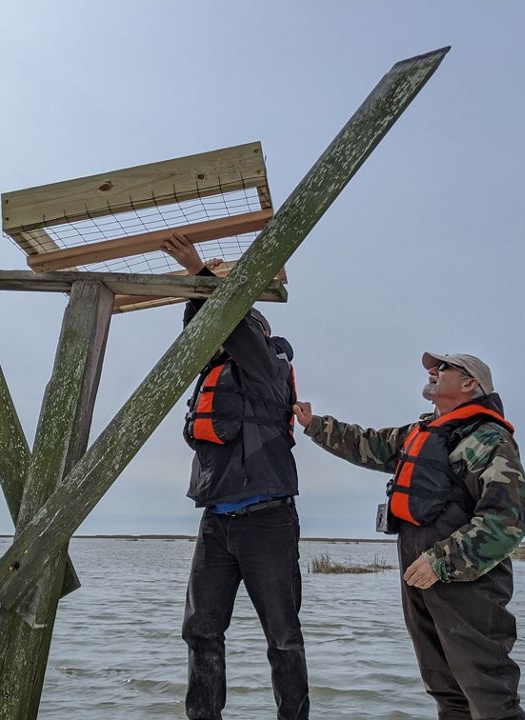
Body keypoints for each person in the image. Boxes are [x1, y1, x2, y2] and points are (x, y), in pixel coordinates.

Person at [293, 353, 525, 720]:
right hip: (418, 577)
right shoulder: (420, 433)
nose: (433, 372)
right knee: (445, 689)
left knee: (488, 692)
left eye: (444, 368)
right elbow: (367, 443)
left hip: (467, 583)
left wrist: (441, 561)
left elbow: (508, 520)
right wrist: (314, 424)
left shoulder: (488, 439)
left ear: (471, 384)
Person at [161, 232, 309, 720]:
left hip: (268, 519)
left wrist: (198, 271)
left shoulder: (268, 365)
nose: (219, 340)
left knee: (283, 636)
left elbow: (231, 325)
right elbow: (199, 326)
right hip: (217, 523)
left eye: (231, 330)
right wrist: (197, 288)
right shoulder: (211, 369)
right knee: (201, 630)